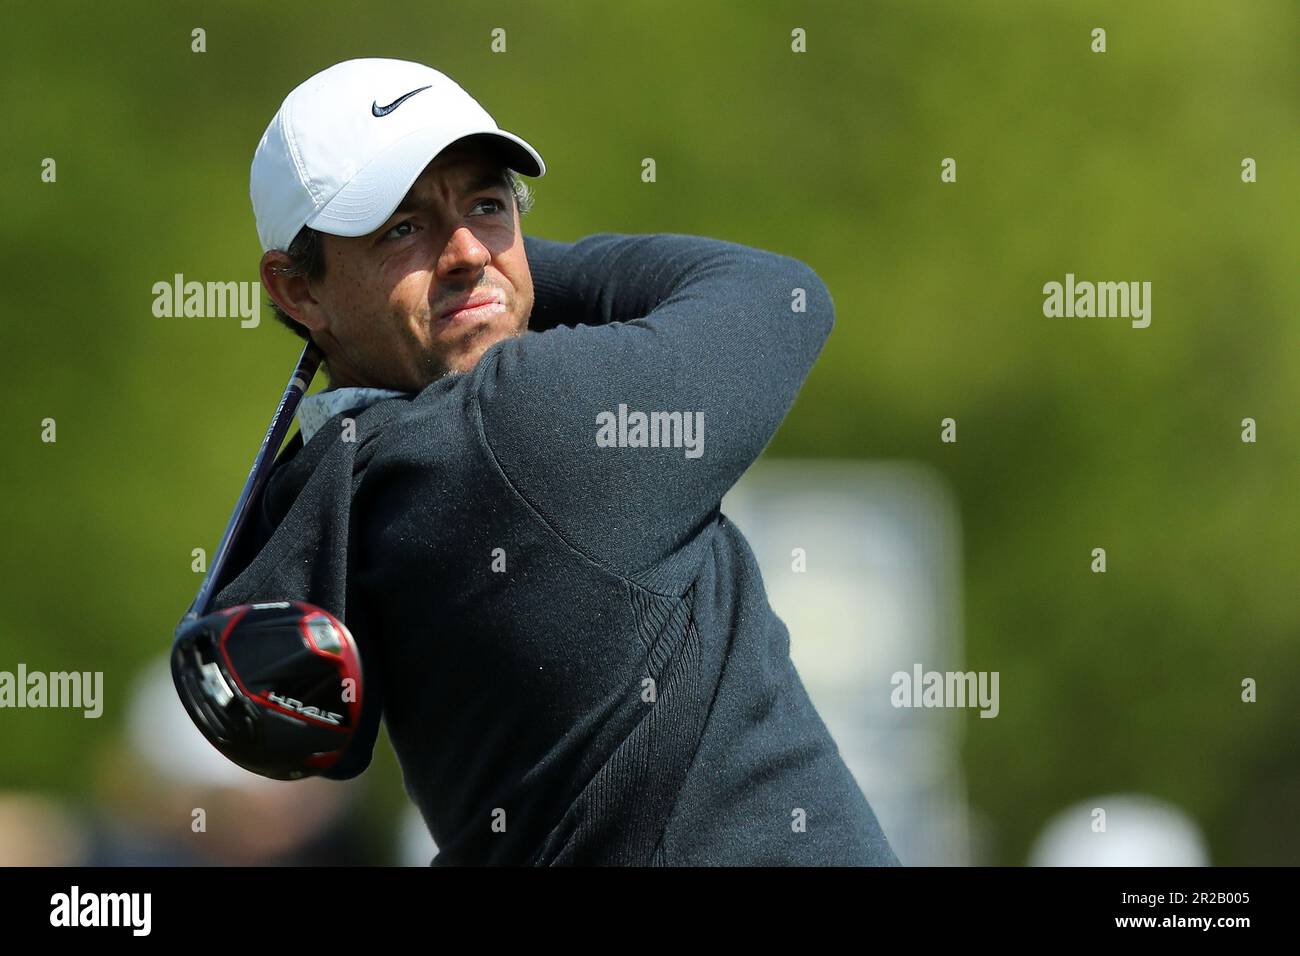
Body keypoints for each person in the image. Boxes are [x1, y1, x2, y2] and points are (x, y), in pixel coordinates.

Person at [216, 57, 899, 866]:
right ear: (297, 292)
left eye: (487, 204)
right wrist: (510, 274)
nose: (467, 247)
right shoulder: (528, 423)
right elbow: (777, 295)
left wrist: (473, 280)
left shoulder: (336, 480)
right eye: (402, 226)